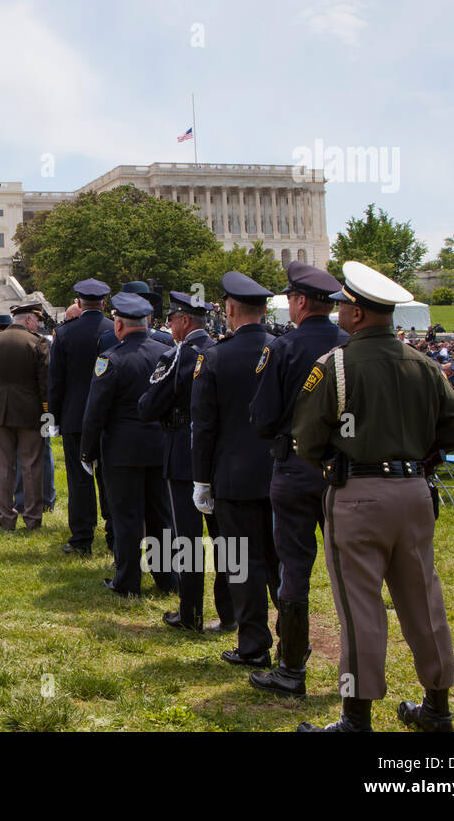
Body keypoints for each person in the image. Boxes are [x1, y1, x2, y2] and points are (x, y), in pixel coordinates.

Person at [292, 262, 454, 732]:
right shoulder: (425, 364)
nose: (339, 314)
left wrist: (343, 460)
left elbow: (308, 440)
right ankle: (437, 708)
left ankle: (356, 717)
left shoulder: (335, 366)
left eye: (344, 306)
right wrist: (416, 459)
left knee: (359, 608)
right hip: (414, 492)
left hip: (357, 495)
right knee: (423, 601)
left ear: (358, 314)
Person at [247, 262, 349, 696]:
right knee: (351, 573)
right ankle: (355, 673)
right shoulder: (350, 344)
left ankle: (291, 668)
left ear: (301, 302)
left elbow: (263, 417)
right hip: (344, 471)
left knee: (294, 567)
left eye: (290, 298)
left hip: (294, 468)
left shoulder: (282, 348)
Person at [191, 271, 280, 669]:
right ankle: (294, 644)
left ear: (229, 310)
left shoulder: (214, 356)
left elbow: (203, 426)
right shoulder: (283, 350)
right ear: (263, 311)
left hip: (231, 476)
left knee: (241, 562)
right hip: (280, 473)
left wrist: (201, 479)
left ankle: (254, 644)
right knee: (281, 563)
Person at [138, 290, 234, 634]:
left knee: (187, 539)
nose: (170, 325)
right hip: (220, 454)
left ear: (182, 321)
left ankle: (190, 611)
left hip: (182, 452)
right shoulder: (219, 351)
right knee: (225, 538)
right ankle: (229, 611)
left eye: (172, 319)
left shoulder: (179, 357)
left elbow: (150, 406)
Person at [81, 293, 174, 595]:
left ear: (118, 324)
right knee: (161, 516)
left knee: (127, 517)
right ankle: (168, 578)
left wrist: (88, 450)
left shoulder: (111, 359)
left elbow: (96, 412)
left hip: (122, 451)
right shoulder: (166, 353)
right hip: (161, 446)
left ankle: (128, 580)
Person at [48, 279, 116, 557]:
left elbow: (56, 381)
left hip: (75, 415)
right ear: (104, 303)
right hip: (110, 416)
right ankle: (114, 534)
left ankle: (82, 537)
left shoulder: (64, 333)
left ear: (78, 303)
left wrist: (53, 418)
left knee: (79, 479)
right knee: (110, 477)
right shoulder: (115, 329)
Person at [0, 302, 50, 530]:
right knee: (31, 465)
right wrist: (48, 411)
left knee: (2, 466)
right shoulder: (37, 342)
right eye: (36, 320)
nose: (38, 324)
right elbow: (45, 382)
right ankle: (32, 518)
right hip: (30, 412)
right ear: (28, 320)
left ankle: (7, 517)